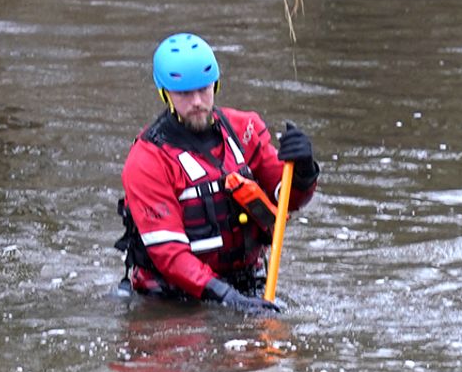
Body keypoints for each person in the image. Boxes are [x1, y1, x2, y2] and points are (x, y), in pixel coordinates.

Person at [116, 33, 320, 315]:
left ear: (217, 84)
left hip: (245, 284)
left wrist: (305, 171)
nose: (198, 101)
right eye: (184, 94)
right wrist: (229, 299)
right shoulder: (147, 161)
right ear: (165, 94)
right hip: (171, 298)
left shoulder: (245, 129)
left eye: (204, 89)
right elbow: (171, 257)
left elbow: (288, 198)